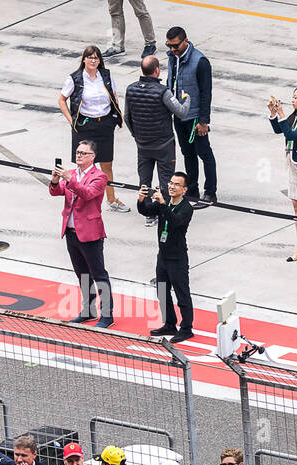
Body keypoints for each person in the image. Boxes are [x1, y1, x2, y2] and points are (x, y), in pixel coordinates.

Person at [49, 140, 113, 327]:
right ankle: (89, 310)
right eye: (77, 152)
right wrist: (55, 180)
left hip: (90, 233)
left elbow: (87, 193)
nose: (79, 155)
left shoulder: (99, 176)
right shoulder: (72, 173)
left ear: (92, 157)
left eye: (83, 153)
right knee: (82, 274)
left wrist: (70, 179)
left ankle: (107, 315)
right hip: (71, 232)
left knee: (99, 274)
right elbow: (57, 192)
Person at [57, 47, 128, 214]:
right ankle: (81, 198)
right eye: (90, 57)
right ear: (84, 60)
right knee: (84, 165)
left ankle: (111, 200)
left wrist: (113, 117)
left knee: (107, 164)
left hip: (104, 124)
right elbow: (61, 100)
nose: (93, 60)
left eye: (96, 58)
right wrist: (71, 120)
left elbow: (114, 95)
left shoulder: (106, 75)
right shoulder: (74, 78)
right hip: (84, 126)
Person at [124, 56, 190, 226]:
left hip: (142, 145)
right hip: (164, 145)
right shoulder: (163, 91)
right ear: (157, 70)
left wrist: (136, 135)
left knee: (144, 180)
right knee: (166, 180)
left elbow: (127, 117)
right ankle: (163, 213)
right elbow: (181, 112)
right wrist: (187, 99)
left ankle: (148, 214)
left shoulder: (131, 89)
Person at [136, 172, 195, 342]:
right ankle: (169, 323)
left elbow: (175, 222)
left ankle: (186, 328)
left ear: (184, 189)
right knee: (162, 291)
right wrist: (141, 199)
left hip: (177, 258)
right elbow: (146, 210)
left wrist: (162, 204)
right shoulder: (166, 201)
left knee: (182, 293)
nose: (171, 186)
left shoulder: (186, 208)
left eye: (177, 184)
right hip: (162, 256)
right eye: (171, 183)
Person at [165, 26, 216, 208]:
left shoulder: (200, 61)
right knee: (188, 153)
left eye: (176, 46)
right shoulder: (172, 57)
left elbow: (205, 93)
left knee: (204, 153)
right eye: (169, 45)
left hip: (195, 116)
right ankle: (192, 189)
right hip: (179, 115)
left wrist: (203, 121)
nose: (172, 49)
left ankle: (210, 192)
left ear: (185, 41)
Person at [268, 87, 297, 261]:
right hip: (293, 165)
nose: (292, 100)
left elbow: (291, 135)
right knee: (296, 205)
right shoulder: (295, 116)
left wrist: (280, 112)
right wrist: (274, 113)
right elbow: (279, 130)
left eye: (296, 97)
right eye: (292, 97)